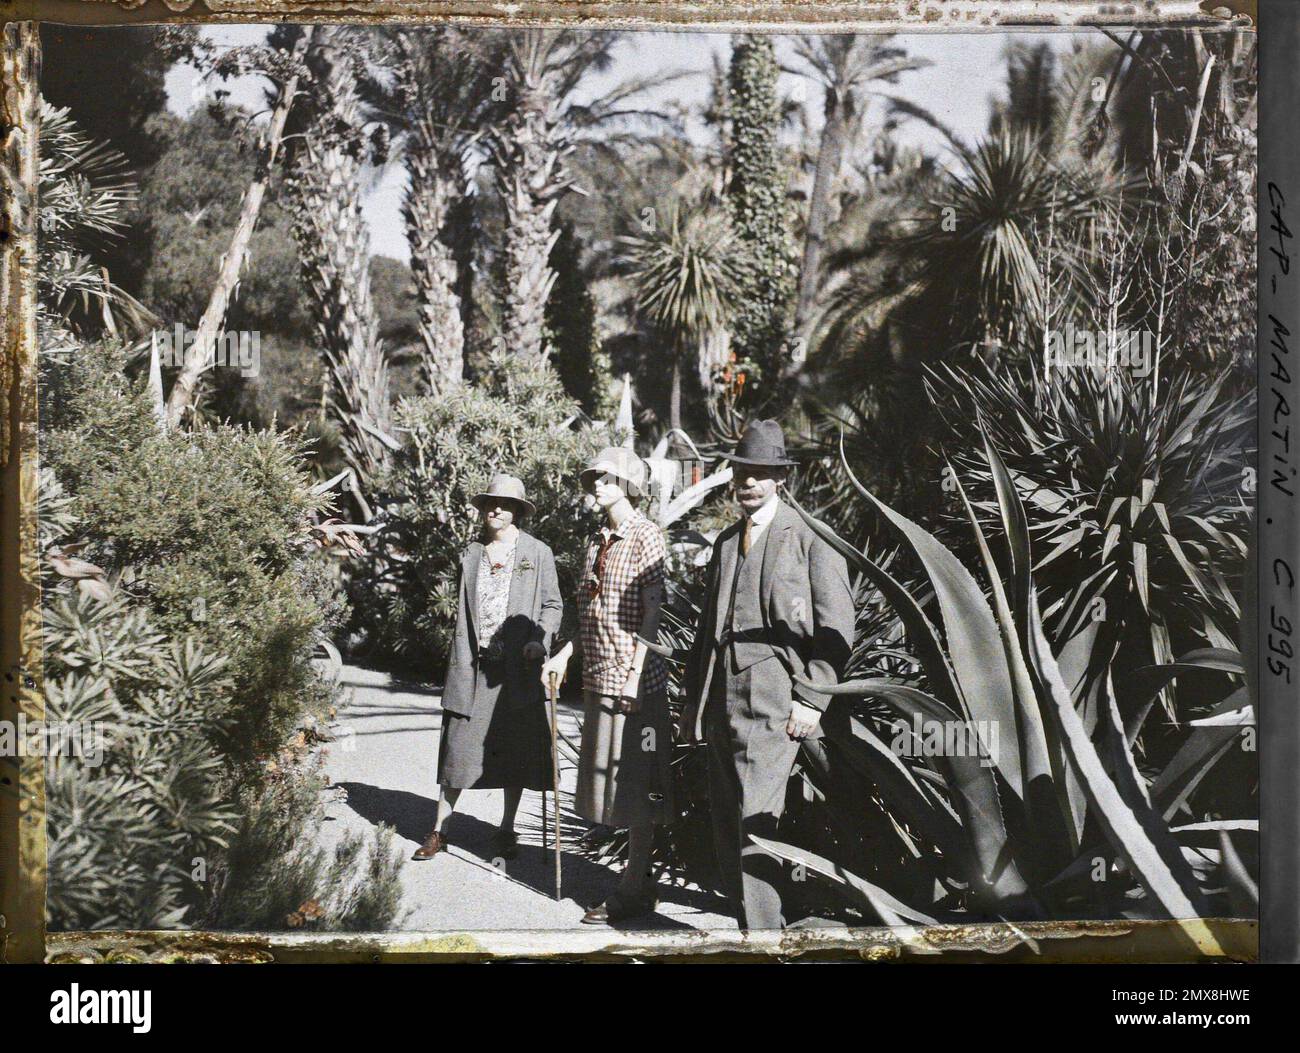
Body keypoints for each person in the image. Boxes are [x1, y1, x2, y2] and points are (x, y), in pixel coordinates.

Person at [681, 420, 854, 929]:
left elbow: (837, 624)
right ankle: (744, 915)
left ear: (781, 478)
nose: (749, 483)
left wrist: (811, 697)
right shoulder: (726, 542)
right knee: (726, 812)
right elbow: (705, 630)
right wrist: (695, 701)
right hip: (722, 698)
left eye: (761, 473)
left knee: (758, 815)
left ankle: (761, 935)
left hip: (778, 699)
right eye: (742, 473)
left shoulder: (810, 538)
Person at [542, 446, 673, 924]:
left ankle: (634, 887)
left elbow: (653, 614)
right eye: (593, 477)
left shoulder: (646, 536)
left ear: (629, 486)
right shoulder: (596, 540)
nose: (596, 484)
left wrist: (637, 676)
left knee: (635, 787)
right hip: (600, 678)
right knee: (613, 789)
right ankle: (638, 881)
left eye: (606, 477)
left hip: (635, 682)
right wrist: (563, 654)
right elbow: (586, 614)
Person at [413, 474, 562, 863]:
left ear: (517, 512)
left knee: (513, 753)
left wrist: (540, 639)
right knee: (456, 752)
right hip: (473, 667)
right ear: (482, 509)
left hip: (517, 671)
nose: (496, 509)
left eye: (506, 504)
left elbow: (553, 605)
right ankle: (438, 830)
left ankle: (506, 830)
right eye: (490, 503)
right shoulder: (471, 554)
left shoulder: (537, 553)